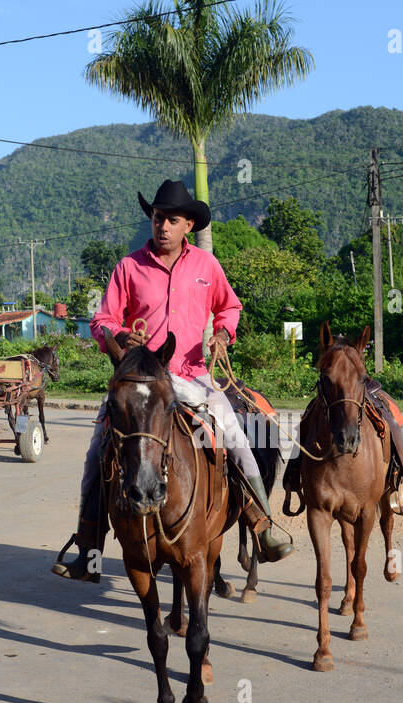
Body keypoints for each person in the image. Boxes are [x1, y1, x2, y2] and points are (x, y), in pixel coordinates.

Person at [52, 179, 295, 582]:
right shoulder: (128, 267)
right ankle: (89, 546)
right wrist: (118, 335)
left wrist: (222, 335)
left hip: (193, 375)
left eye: (172, 219)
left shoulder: (206, 266)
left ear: (188, 226)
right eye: (157, 217)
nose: (162, 226)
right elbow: (102, 320)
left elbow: (229, 307)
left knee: (235, 436)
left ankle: (262, 525)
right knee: (97, 452)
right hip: (141, 381)